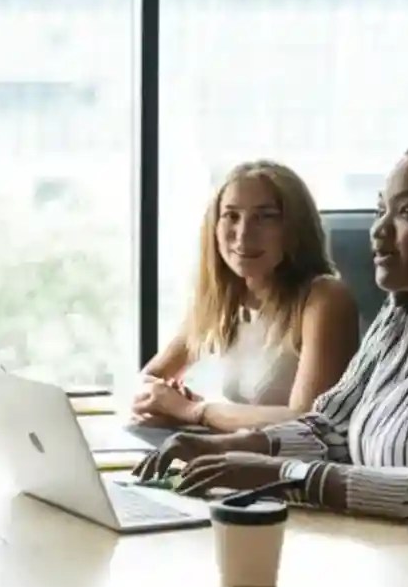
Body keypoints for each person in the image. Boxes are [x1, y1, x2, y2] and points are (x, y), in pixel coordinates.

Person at [136, 132, 408, 587]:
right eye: (380, 210)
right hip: (402, 573)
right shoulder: (406, 314)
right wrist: (234, 447)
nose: (379, 230)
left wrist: (286, 474)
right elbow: (330, 426)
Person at [136, 161, 359, 432]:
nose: (243, 234)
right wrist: (165, 402)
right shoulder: (223, 298)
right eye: (231, 215)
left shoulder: (324, 298)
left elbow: (307, 422)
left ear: (295, 228)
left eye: (265, 217)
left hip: (293, 470)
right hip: (235, 460)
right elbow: (148, 379)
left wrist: (194, 411)